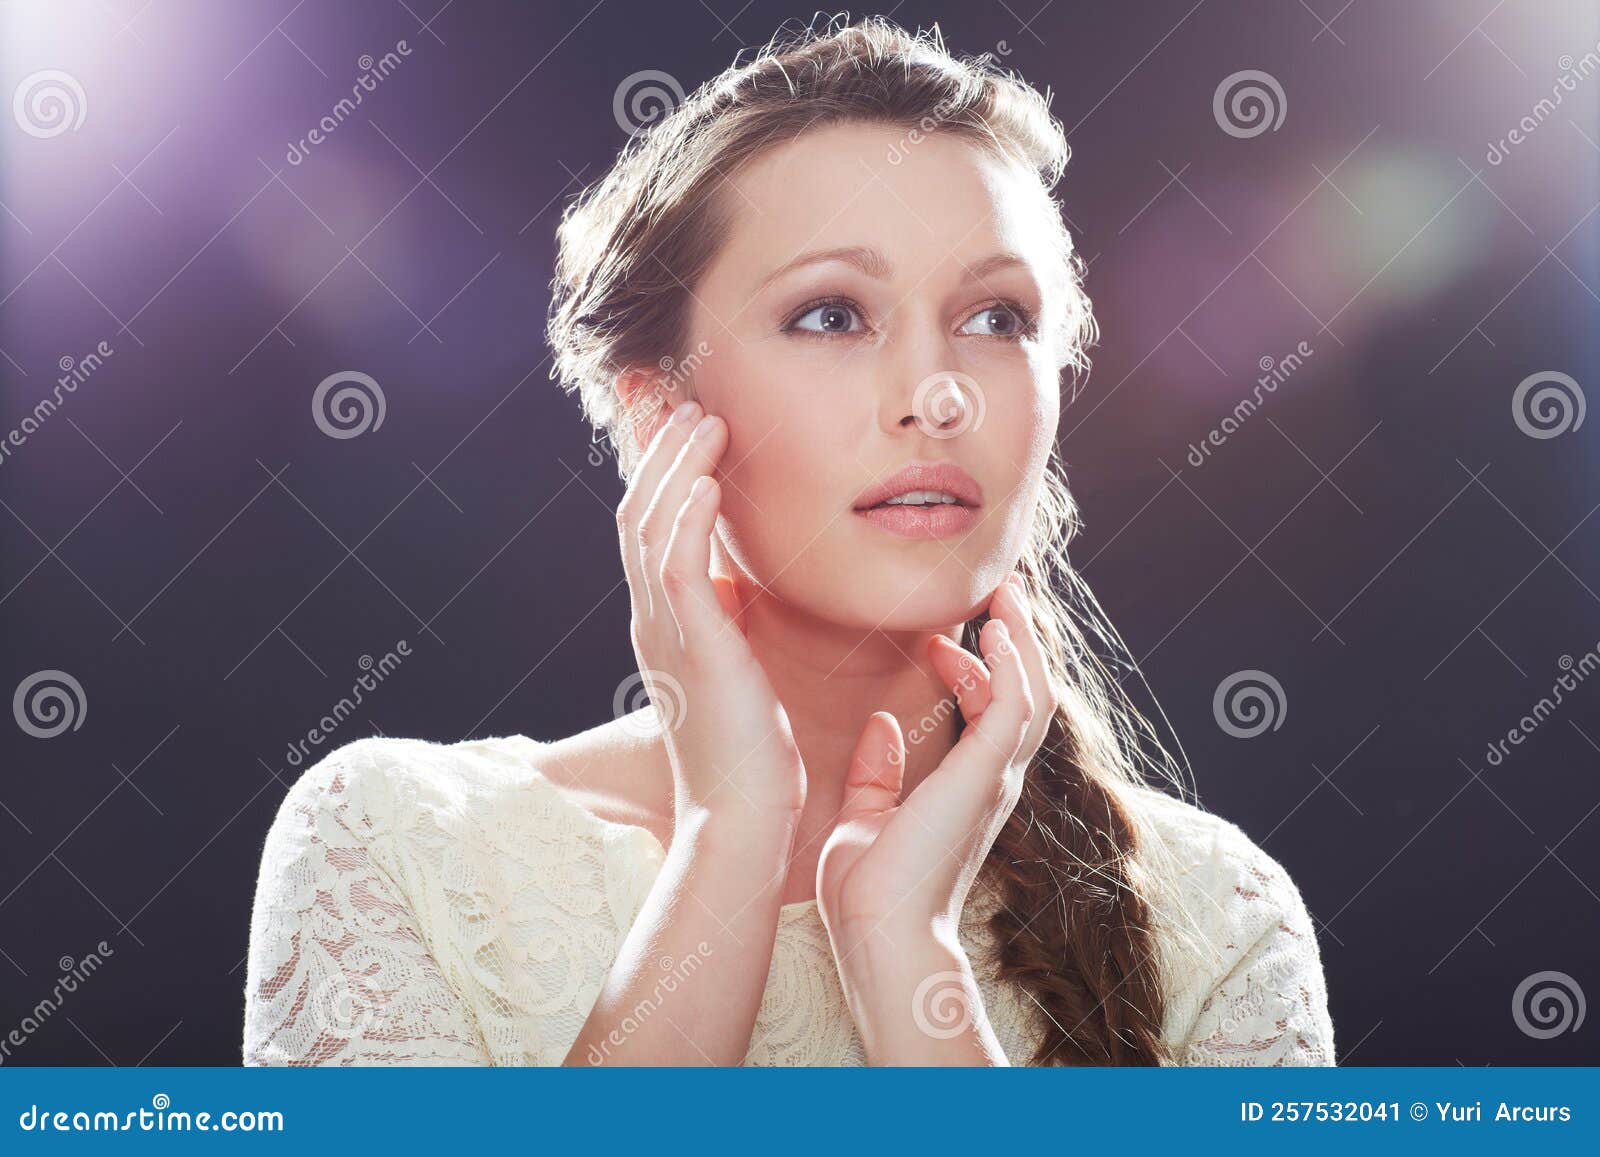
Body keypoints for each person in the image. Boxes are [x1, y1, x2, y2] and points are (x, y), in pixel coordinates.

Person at [243, 15, 1335, 1066]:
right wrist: (732, 832)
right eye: (830, 315)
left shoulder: (1219, 920)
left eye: (996, 317)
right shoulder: (397, 844)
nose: (937, 394)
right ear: (653, 410)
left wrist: (907, 949)